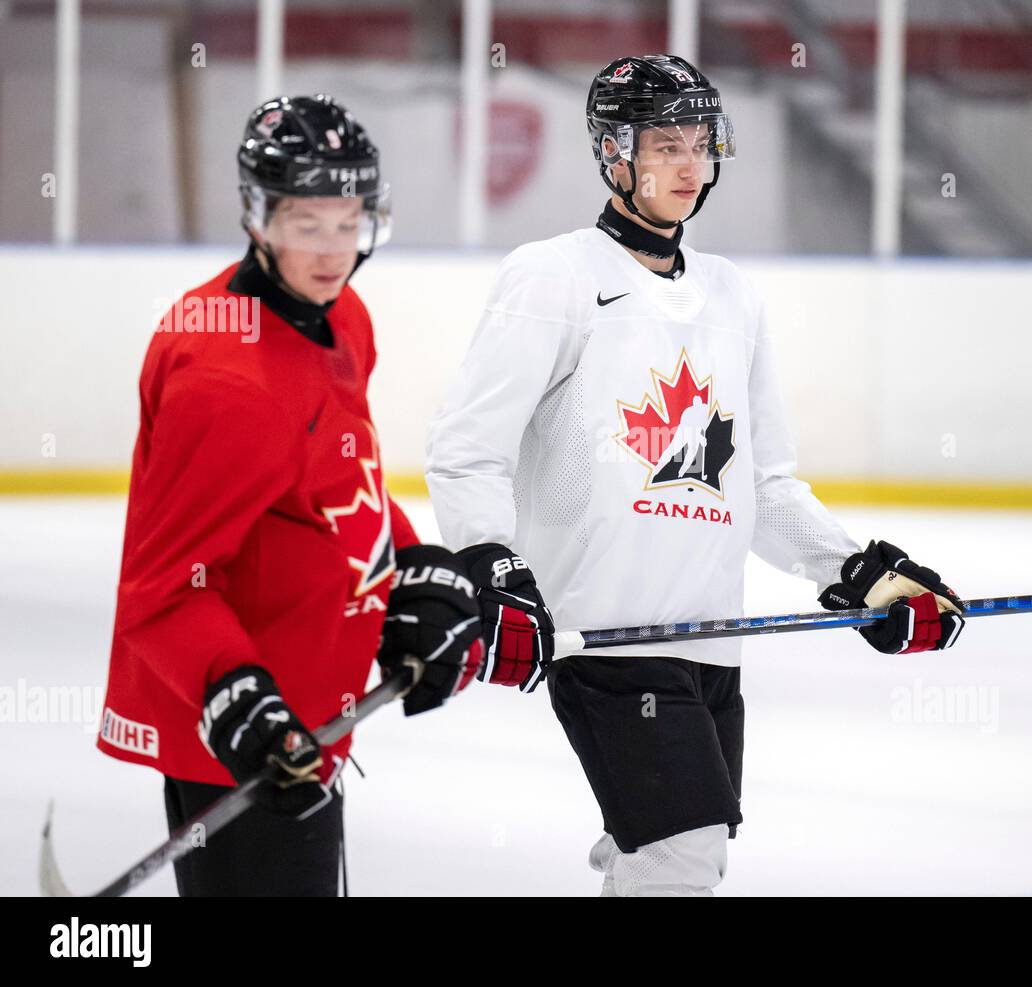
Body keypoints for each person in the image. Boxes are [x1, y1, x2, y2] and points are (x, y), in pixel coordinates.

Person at [425, 56, 965, 897]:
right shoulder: (553, 276)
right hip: (610, 642)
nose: (688, 165)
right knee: (682, 858)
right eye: (665, 144)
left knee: (660, 861)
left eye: (700, 144)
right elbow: (467, 448)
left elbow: (766, 485)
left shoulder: (732, 295)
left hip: (713, 647)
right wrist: (491, 564)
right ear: (613, 154)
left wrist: (859, 573)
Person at [98, 94, 483, 896]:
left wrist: (410, 567)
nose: (333, 249)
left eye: (349, 221)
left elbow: (344, 480)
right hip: (237, 737)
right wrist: (240, 702)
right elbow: (161, 591)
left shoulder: (343, 319)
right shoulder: (222, 379)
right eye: (308, 223)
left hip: (310, 713)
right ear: (258, 216)